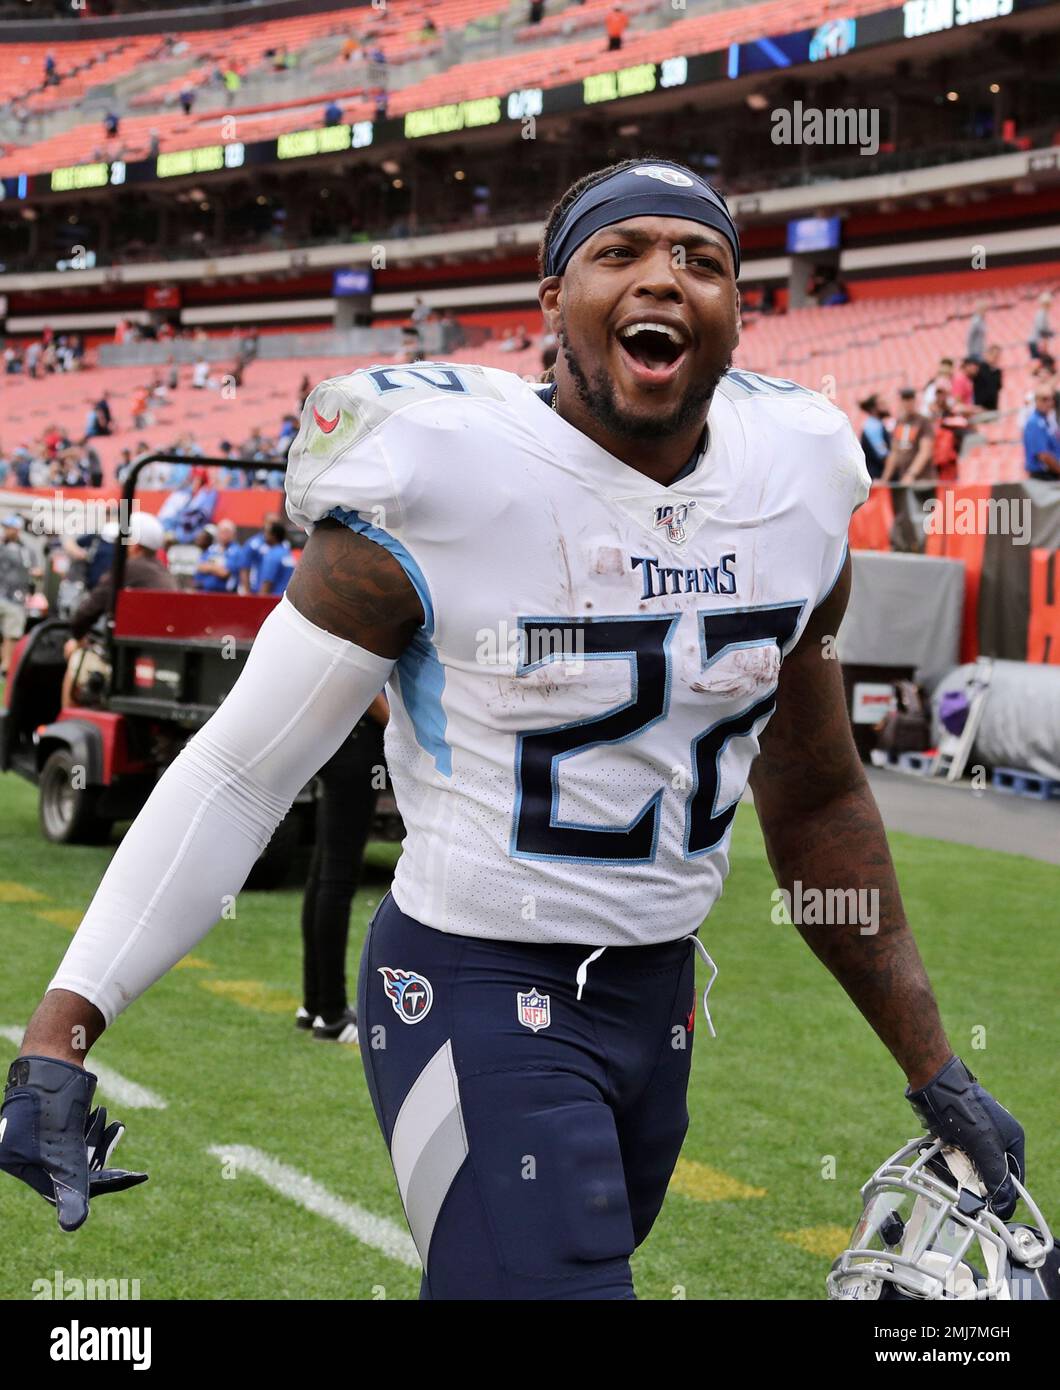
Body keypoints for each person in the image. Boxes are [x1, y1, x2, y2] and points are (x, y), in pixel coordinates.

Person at [1, 159, 1026, 1301]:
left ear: (739, 310)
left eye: (702, 260)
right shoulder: (438, 480)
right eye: (620, 252)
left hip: (657, 1002)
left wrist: (933, 1067)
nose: (664, 279)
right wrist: (63, 1025)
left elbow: (819, 796)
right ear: (551, 301)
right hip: (470, 985)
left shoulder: (798, 481)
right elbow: (243, 772)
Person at [298, 693, 390, 1042]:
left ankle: (315, 1003)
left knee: (323, 873)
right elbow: (367, 687)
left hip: (337, 738)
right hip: (355, 745)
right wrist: (400, 723)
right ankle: (332, 1012)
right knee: (336, 877)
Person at [62, 513, 176, 707]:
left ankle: (67, 723)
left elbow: (86, 613)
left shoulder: (127, 569)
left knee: (74, 654)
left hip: (131, 659)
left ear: (134, 545)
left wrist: (77, 636)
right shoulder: (163, 572)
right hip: (155, 655)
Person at [0, 515, 33, 679]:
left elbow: (35, 570)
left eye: (9, 527)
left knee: (11, 633)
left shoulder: (26, 550)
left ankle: (6, 667)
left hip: (16, 597)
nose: (6, 530)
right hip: (1, 593)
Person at [882, 388, 934, 483]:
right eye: (904, 400)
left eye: (909, 400)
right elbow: (894, 452)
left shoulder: (923, 421)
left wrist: (911, 474)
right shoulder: (899, 422)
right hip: (903, 478)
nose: (907, 403)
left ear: (914, 401)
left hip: (923, 479)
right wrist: (885, 479)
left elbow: (925, 451)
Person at [194, 518, 243, 592]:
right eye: (221, 532)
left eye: (227, 532)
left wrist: (209, 567)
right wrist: (215, 568)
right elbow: (200, 566)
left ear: (233, 534)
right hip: (204, 591)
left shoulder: (236, 551)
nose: (224, 535)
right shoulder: (212, 549)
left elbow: (225, 573)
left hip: (225, 593)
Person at [1022, 387, 1060, 479]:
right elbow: (1043, 455)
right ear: (1036, 401)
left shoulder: (1048, 421)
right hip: (1043, 476)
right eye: (1044, 399)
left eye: (1051, 399)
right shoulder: (1034, 423)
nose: (1048, 403)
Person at [257, 520, 296, 596]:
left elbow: (267, 582)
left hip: (273, 601)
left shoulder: (272, 555)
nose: (264, 535)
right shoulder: (287, 553)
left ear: (273, 535)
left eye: (266, 532)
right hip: (286, 600)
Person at [857, 393, 890, 480]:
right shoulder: (873, 427)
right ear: (873, 409)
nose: (887, 406)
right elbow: (884, 456)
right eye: (882, 404)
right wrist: (885, 478)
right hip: (876, 478)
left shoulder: (876, 424)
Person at [973, 344, 1003, 412]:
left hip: (992, 407)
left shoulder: (997, 372)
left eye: (997, 355)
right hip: (979, 407)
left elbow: (998, 387)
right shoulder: (979, 368)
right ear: (988, 354)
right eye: (994, 354)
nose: (995, 357)